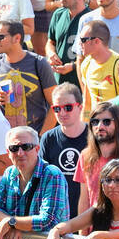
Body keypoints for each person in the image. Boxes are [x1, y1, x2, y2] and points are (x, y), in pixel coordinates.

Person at [0, 124, 70, 239]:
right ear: (8, 152)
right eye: (14, 148)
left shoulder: (52, 174)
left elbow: (48, 220)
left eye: (26, 147)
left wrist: (11, 222)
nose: (20, 153)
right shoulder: (9, 173)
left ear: (37, 149)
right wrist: (11, 223)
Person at [44, 155, 119, 239]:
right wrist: (55, 231)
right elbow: (71, 225)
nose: (112, 185)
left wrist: (97, 235)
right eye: (107, 180)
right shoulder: (100, 208)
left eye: (118, 180)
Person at [39, 81, 88, 215]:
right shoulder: (48, 138)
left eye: (68, 107)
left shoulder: (94, 137)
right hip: (57, 212)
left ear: (80, 107)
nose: (62, 112)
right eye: (56, 108)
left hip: (87, 212)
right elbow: (42, 178)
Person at [46, 0, 90, 86]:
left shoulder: (91, 20)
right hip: (58, 82)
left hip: (80, 84)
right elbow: (50, 42)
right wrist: (51, 53)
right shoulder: (58, 14)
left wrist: (73, 66)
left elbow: (96, 56)